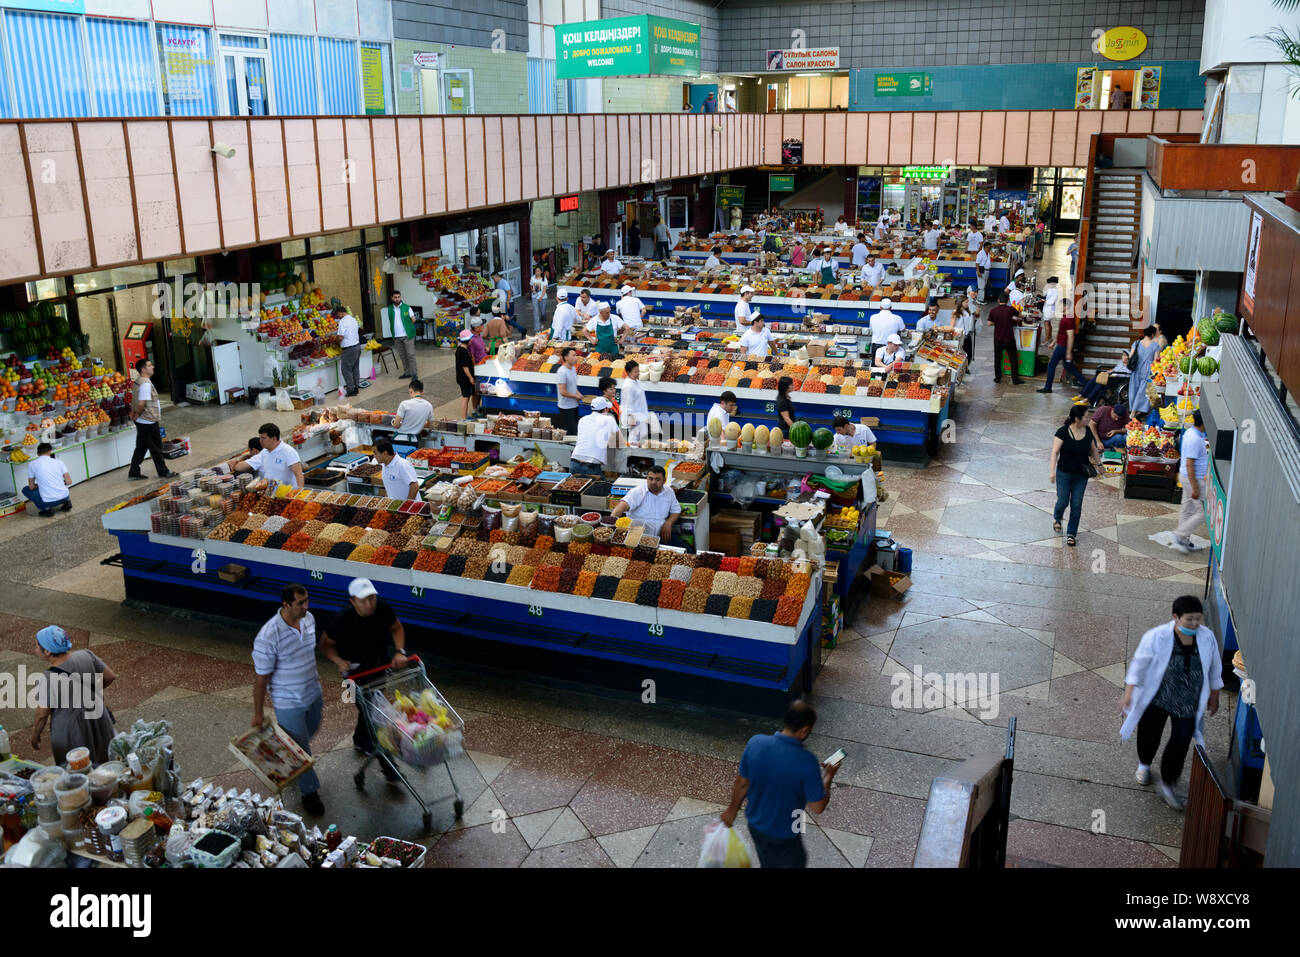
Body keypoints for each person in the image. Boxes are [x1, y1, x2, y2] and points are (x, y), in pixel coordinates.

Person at [1121, 595, 1223, 812]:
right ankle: (1144, 765)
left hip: (1187, 702)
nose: (1195, 624)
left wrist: (1214, 695)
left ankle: (1168, 784)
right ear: (1176, 617)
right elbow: (1139, 663)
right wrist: (1129, 693)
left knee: (1180, 743)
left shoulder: (1207, 638)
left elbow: (1214, 667)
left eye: (1198, 619)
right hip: (1158, 696)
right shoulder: (1157, 636)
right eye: (1189, 620)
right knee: (1149, 733)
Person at [720, 700, 838, 868]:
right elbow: (817, 807)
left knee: (767, 860)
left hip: (756, 824)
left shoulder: (756, 743)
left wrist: (731, 811)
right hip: (786, 832)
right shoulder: (807, 762)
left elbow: (742, 782)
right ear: (805, 729)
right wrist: (828, 777)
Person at [319, 578, 409, 781]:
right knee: (368, 710)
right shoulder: (342, 620)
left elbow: (397, 628)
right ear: (353, 601)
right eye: (364, 600)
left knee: (370, 708)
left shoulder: (383, 610)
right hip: (351, 675)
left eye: (372, 598)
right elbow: (325, 645)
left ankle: (360, 739)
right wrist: (338, 661)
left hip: (378, 667)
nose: (369, 604)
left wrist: (399, 651)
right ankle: (389, 768)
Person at [252, 584, 325, 816]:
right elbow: (261, 680)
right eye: (300, 603)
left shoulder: (309, 619)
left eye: (307, 601)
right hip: (288, 701)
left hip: (313, 693)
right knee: (301, 748)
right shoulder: (268, 636)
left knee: (311, 730)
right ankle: (310, 793)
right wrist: (257, 712)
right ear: (286, 605)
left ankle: (290, 757)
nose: (306, 607)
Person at [28, 625, 117, 766]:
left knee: (79, 770)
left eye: (38, 645)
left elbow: (42, 713)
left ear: (48, 651)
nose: (35, 648)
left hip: (72, 731)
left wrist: (35, 735)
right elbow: (110, 676)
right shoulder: (86, 655)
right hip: (99, 719)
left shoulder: (48, 677)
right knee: (107, 763)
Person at [1049, 405, 1100, 547]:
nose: (1088, 419)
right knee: (1063, 501)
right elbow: (1055, 452)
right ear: (1077, 419)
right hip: (1064, 473)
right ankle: (1057, 517)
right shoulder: (1063, 432)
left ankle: (1071, 533)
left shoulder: (1088, 431)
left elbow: (1093, 449)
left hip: (1081, 475)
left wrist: (1099, 464)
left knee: (1076, 504)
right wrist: (1052, 471)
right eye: (1086, 417)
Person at [127, 358, 174, 481]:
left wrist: (134, 413)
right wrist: (137, 413)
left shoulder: (138, 381)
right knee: (156, 447)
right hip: (148, 420)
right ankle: (163, 471)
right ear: (143, 369)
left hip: (142, 421)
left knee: (141, 446)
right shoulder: (145, 384)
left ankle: (134, 471)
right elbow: (141, 403)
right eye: (149, 365)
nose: (152, 367)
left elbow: (134, 400)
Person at [610, 465, 682, 542]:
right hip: (638, 538)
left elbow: (676, 511)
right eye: (650, 479)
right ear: (646, 478)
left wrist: (668, 523)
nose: (653, 482)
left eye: (657, 479)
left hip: (662, 536)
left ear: (664, 480)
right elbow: (620, 507)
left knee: (688, 550)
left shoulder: (669, 491)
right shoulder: (638, 492)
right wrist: (610, 526)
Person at [1172, 411, 1209, 554]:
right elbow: (1189, 463)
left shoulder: (1190, 433)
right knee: (1201, 514)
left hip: (1186, 477)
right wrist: (1194, 487)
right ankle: (1179, 534)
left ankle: (1184, 541)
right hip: (1192, 479)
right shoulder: (1195, 439)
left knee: (1187, 509)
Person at [232, 422, 305, 489]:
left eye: (263, 438)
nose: (260, 441)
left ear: (274, 438)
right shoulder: (264, 452)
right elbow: (239, 467)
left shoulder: (288, 452)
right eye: (260, 437)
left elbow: (298, 474)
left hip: (287, 493)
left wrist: (298, 493)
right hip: (271, 492)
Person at [1038, 295, 1086, 394]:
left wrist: (1068, 352)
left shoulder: (1068, 319)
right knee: (1070, 368)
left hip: (1063, 347)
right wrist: (1053, 342)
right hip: (1061, 345)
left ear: (1066, 306)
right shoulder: (1065, 317)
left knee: (1051, 365)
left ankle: (1048, 388)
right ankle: (1086, 384)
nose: (1059, 308)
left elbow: (1071, 336)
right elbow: (1061, 332)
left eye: (1060, 306)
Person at [570, 397, 619, 475]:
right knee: (603, 486)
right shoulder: (609, 419)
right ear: (606, 409)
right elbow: (618, 440)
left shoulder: (582, 419)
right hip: (591, 465)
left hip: (574, 462)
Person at [23, 443, 71, 517]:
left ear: (38, 454)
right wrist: (57, 482)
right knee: (60, 486)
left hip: (49, 501)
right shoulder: (59, 462)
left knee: (26, 489)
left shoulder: (32, 464)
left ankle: (46, 509)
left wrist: (41, 485)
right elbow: (69, 482)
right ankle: (67, 502)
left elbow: (31, 487)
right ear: (50, 451)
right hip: (64, 496)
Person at [1128, 325, 1166, 418]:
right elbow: (1156, 360)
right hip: (1147, 371)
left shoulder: (1136, 343)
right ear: (1152, 334)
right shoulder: (1155, 345)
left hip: (1136, 369)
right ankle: (1134, 412)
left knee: (1133, 390)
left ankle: (1132, 410)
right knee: (1142, 392)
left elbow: (1130, 356)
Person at [379, 290, 418, 380]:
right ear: (392, 298)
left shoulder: (407, 308)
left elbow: (413, 319)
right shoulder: (389, 309)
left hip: (407, 336)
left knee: (410, 355)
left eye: (399, 297)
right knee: (402, 355)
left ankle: (414, 374)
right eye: (395, 297)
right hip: (396, 337)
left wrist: (408, 327)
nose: (397, 299)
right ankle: (407, 372)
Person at [988, 291, 1023, 385]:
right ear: (1007, 300)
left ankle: (997, 378)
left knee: (998, 359)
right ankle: (1015, 379)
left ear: (998, 300)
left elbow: (989, 323)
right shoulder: (1010, 309)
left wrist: (998, 322)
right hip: (1009, 339)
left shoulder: (993, 311)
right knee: (1013, 359)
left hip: (998, 339)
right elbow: (1020, 315)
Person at [621, 359, 653, 443]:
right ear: (628, 372)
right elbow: (626, 404)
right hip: (634, 419)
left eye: (638, 371)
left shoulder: (637, 382)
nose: (637, 373)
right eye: (635, 371)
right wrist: (630, 418)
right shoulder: (628, 386)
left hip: (641, 417)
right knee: (634, 441)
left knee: (641, 440)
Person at [554, 346, 582, 436]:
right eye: (573, 355)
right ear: (566, 357)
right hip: (565, 408)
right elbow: (562, 391)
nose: (576, 358)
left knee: (576, 431)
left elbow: (573, 386)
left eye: (576, 355)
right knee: (572, 432)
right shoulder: (562, 372)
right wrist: (576, 396)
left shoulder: (573, 369)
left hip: (574, 405)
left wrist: (579, 394)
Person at [336, 306, 362, 396]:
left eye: (337, 314)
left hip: (349, 349)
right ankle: (356, 387)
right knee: (355, 368)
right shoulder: (353, 319)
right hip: (357, 346)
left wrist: (334, 341)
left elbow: (340, 337)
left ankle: (351, 389)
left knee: (346, 369)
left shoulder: (342, 322)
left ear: (340, 312)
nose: (337, 316)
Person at [492, 272, 527, 336]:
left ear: (497, 276)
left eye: (493, 278)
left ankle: (521, 330)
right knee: (507, 319)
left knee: (507, 318)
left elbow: (509, 292)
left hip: (507, 303)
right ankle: (521, 330)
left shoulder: (503, 282)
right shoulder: (498, 283)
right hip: (503, 303)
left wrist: (507, 302)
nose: (493, 280)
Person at [454, 330, 477, 418]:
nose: (471, 340)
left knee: (467, 396)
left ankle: (465, 415)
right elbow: (465, 367)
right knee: (465, 397)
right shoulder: (463, 352)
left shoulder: (461, 349)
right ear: (468, 340)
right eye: (471, 339)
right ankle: (464, 417)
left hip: (462, 378)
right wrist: (471, 378)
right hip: (464, 379)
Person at [953, 298, 976, 365]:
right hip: (959, 335)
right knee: (961, 353)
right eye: (966, 302)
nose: (967, 304)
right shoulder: (955, 312)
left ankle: (966, 366)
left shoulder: (967, 312)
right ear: (961, 303)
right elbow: (952, 325)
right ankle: (962, 367)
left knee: (969, 353)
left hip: (967, 334)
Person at [1039, 275, 1061, 345]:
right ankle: (1050, 337)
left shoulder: (1055, 291)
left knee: (1046, 323)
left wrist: (1043, 300)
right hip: (1047, 308)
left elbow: (1051, 301)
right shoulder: (1051, 289)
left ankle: (1047, 339)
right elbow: (1045, 294)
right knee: (1048, 323)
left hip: (1049, 309)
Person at [529, 266, 548, 333]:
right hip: (534, 297)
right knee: (536, 313)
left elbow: (545, 289)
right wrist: (532, 290)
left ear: (541, 272)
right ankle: (537, 329)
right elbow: (531, 286)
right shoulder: (532, 278)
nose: (537, 272)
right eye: (536, 271)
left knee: (543, 312)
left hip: (543, 297)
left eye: (538, 271)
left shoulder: (544, 279)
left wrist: (541, 297)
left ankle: (542, 323)